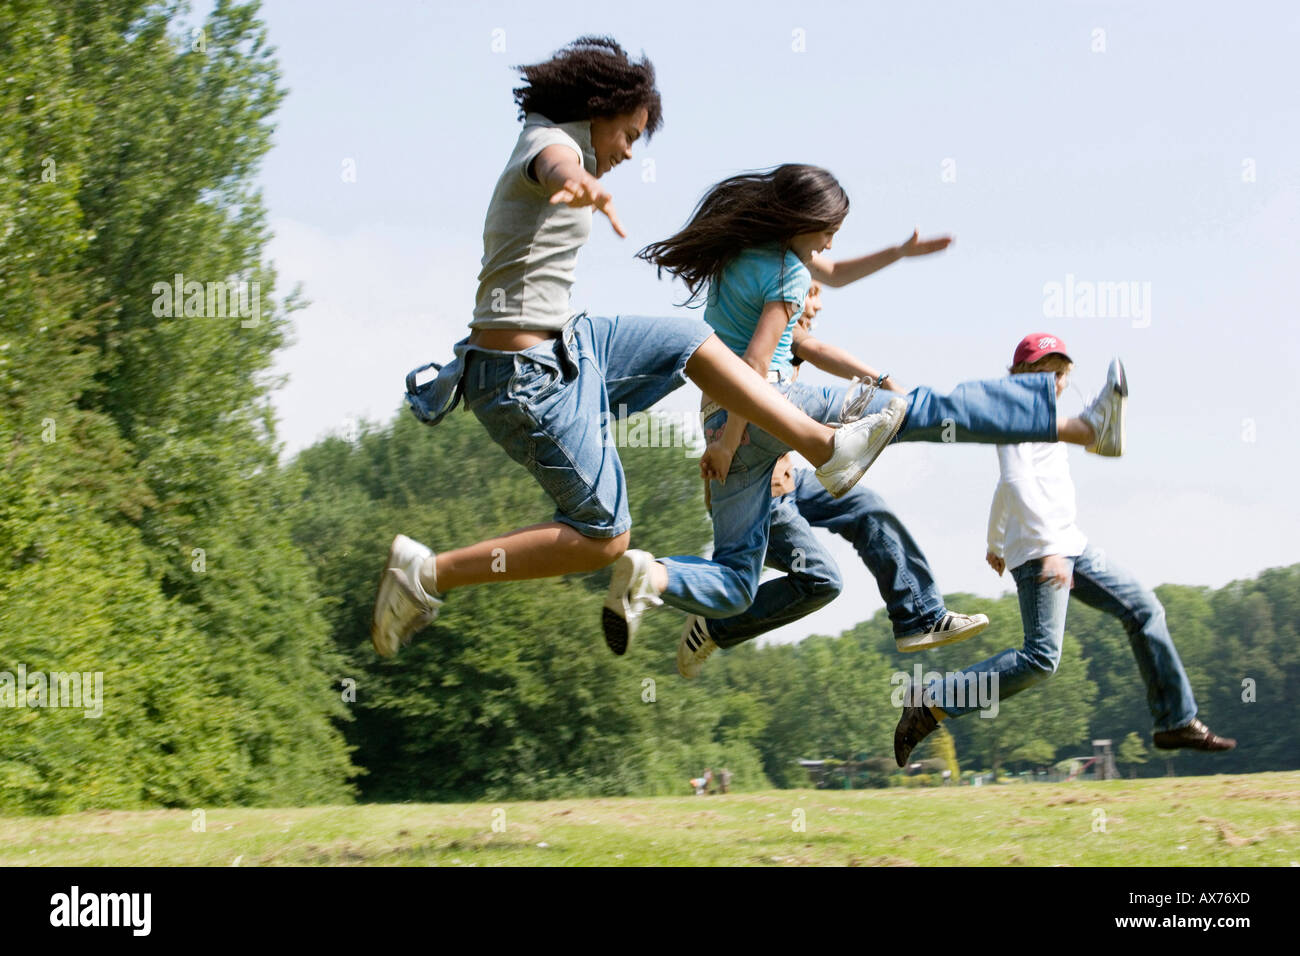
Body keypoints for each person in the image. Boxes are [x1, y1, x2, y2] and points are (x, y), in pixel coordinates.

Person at [371, 38, 900, 657]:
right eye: (629, 132)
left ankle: (823, 446)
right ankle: (427, 575)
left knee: (692, 341)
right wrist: (579, 183)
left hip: (571, 344)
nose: (628, 150)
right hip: (521, 375)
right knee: (606, 537)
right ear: (600, 108)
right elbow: (553, 166)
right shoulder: (552, 145)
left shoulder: (561, 141)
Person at [616, 164, 1127, 655]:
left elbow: (834, 274)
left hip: (720, 420)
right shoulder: (788, 272)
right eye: (828, 231)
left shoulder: (739, 256)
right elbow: (754, 365)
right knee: (918, 408)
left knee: (734, 579)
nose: (831, 245)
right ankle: (1080, 427)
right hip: (772, 407)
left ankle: (651, 574)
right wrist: (730, 442)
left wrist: (899, 252)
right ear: (802, 221)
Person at [892, 334, 1236, 766]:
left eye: (1061, 371)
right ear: (1019, 376)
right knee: (1040, 658)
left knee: (1144, 609)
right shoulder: (1012, 414)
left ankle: (1175, 720)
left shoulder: (1049, 420)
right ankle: (930, 702)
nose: (1055, 379)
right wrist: (1045, 547)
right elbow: (1015, 482)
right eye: (1045, 370)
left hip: (1071, 544)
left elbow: (1003, 488)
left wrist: (995, 541)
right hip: (1044, 551)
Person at [678, 290, 991, 677]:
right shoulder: (768, 324)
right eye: (811, 294)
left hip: (789, 481)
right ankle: (714, 624)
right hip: (761, 499)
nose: (816, 306)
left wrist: (877, 381)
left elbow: (814, 350)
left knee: (865, 507)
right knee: (821, 580)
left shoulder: (783, 337)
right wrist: (883, 382)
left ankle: (920, 616)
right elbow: (819, 350)